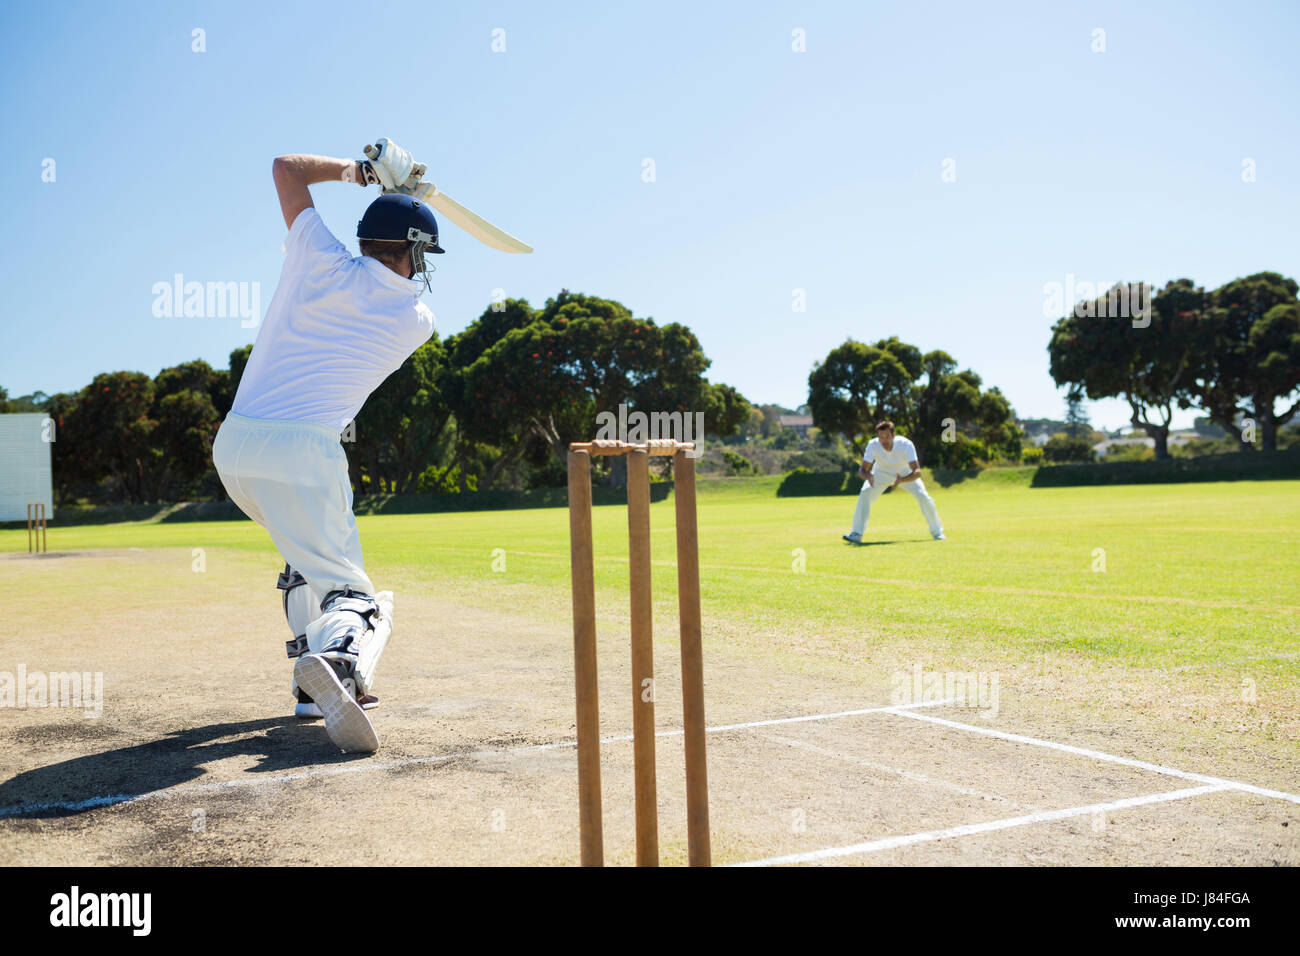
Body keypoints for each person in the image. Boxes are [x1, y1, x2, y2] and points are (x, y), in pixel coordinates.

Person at [212, 145, 439, 753]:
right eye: (421, 253)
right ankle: (337, 663)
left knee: (304, 563)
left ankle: (311, 693)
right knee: (360, 599)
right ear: (414, 251)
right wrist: (401, 196)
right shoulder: (416, 322)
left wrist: (360, 173)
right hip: (304, 452)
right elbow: (390, 275)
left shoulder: (317, 257)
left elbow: (285, 167)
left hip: (233, 447)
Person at [843, 421, 945, 543]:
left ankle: (937, 532)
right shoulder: (873, 445)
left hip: (904, 474)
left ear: (893, 435)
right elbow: (862, 471)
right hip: (880, 474)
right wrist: (868, 477)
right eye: (881, 437)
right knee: (865, 493)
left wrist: (901, 480)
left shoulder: (906, 444)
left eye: (887, 437)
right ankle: (856, 534)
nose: (884, 440)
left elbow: (917, 472)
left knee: (923, 497)